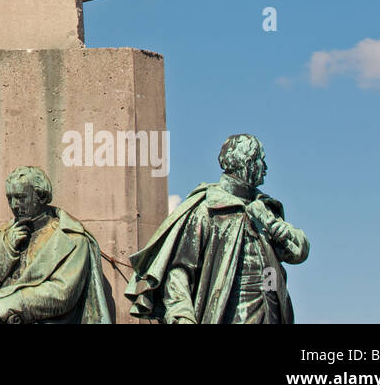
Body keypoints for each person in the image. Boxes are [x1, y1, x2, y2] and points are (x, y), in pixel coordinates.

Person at [125, 134, 309, 323]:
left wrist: (279, 228)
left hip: (272, 314)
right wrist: (182, 315)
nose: (266, 168)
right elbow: (179, 272)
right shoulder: (207, 209)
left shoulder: (266, 209)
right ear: (247, 163)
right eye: (261, 160)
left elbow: (298, 254)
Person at [0, 165, 113, 324]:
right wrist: (5, 252)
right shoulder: (0, 238)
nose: (14, 205)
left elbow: (62, 294)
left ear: (41, 196)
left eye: (20, 197)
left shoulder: (71, 239)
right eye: (9, 198)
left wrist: (6, 305)